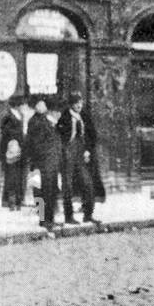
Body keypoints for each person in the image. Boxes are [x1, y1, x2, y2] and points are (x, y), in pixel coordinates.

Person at [56, 92, 101, 225]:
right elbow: (59, 134)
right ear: (71, 105)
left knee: (88, 183)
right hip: (68, 153)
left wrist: (88, 149)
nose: (79, 105)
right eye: (76, 103)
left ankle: (88, 214)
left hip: (81, 153)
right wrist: (63, 150)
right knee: (67, 186)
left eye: (80, 103)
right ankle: (68, 216)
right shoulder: (64, 116)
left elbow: (92, 135)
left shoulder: (85, 116)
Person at [25, 96, 62, 231]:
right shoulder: (35, 121)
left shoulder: (45, 120)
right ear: (35, 107)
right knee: (42, 191)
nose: (42, 106)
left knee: (50, 191)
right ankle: (43, 220)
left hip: (49, 162)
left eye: (43, 104)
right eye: (39, 104)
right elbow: (35, 144)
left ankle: (49, 219)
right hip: (41, 162)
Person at [0, 94, 28, 211]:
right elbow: (7, 133)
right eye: (23, 105)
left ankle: (17, 200)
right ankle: (11, 201)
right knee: (11, 176)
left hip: (20, 150)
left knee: (19, 175)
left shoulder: (20, 117)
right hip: (10, 151)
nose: (25, 107)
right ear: (18, 105)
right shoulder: (8, 117)